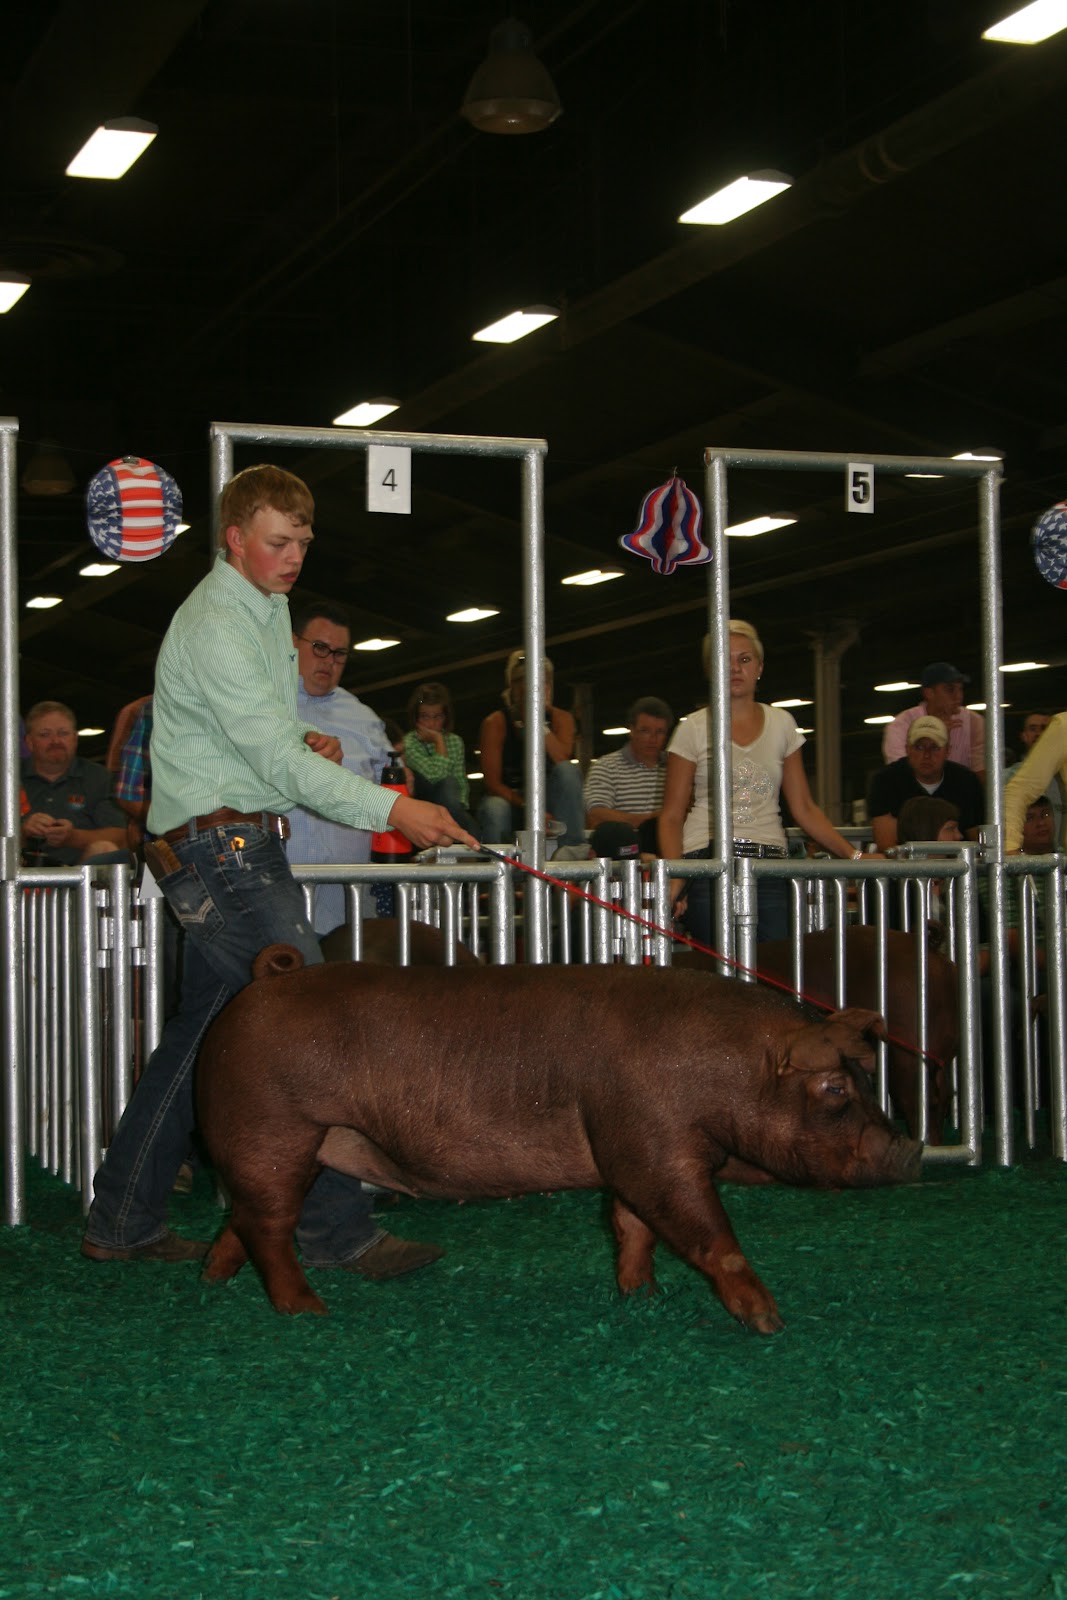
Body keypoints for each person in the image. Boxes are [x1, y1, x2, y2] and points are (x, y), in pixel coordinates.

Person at [81, 463, 475, 1271]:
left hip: (225, 846)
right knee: (307, 1028)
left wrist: (302, 748)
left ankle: (121, 1221)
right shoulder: (221, 624)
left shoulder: (265, 608)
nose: (293, 555)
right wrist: (393, 807)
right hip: (222, 852)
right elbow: (265, 753)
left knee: (196, 1047)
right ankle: (333, 1234)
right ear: (235, 539)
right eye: (277, 542)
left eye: (301, 541)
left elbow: (260, 746)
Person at [658, 621, 866, 944]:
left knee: (774, 971)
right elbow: (671, 815)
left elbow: (805, 808)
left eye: (744, 659)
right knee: (723, 977)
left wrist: (855, 857)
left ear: (760, 667)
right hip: (707, 862)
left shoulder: (783, 724)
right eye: (724, 659)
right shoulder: (692, 729)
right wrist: (675, 877)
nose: (735, 668)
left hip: (769, 865)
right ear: (709, 669)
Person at [287, 600, 394, 936]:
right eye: (320, 648)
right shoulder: (262, 706)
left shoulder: (364, 719)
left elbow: (390, 798)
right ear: (291, 642)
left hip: (348, 911)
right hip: (280, 903)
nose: (329, 662)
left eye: (340, 654)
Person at [477, 650, 585, 846]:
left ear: (548, 686)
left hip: (550, 800)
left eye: (537, 680)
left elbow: (562, 760)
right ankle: (500, 868)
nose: (528, 687)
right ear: (512, 686)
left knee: (568, 770)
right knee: (494, 807)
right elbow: (492, 782)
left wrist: (538, 723)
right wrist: (529, 807)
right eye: (521, 681)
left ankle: (572, 849)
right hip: (512, 800)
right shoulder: (496, 722)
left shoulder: (562, 719)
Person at [21, 701, 130, 866]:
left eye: (63, 733)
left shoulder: (99, 778)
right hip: (18, 872)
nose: (55, 741)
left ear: (75, 739)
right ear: (29, 742)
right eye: (45, 734)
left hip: (79, 876)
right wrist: (21, 831)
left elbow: (121, 837)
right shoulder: (8, 777)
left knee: (105, 848)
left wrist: (72, 837)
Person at [868, 715, 984, 850]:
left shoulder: (967, 781)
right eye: (919, 747)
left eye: (935, 748)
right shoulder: (886, 781)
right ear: (907, 750)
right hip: (905, 866)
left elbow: (977, 840)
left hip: (958, 863)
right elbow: (887, 847)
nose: (927, 755)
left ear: (948, 751)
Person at [583, 696, 672, 855]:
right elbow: (596, 815)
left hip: (668, 847)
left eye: (659, 732)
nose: (652, 739)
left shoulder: (676, 767)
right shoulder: (607, 766)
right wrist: (651, 820)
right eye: (645, 731)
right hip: (625, 851)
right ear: (631, 730)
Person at [882, 662, 985, 780]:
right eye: (950, 690)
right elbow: (899, 774)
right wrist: (935, 735)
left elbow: (983, 774)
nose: (958, 696)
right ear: (929, 693)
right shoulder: (902, 724)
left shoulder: (974, 722)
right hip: (915, 795)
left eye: (960, 689)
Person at [402, 682, 479, 837]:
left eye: (437, 717)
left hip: (452, 807)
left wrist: (461, 808)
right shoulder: (409, 742)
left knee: (474, 827)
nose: (431, 723)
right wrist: (439, 741)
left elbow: (461, 780)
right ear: (416, 718)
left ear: (445, 717)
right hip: (423, 804)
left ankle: (458, 829)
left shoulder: (455, 741)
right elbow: (435, 777)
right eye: (425, 717)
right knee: (447, 783)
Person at [1004, 711, 1063, 845]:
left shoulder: (1062, 777)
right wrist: (1011, 850)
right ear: (1023, 736)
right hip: (1024, 857)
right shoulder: (1006, 778)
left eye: (1045, 729)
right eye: (1032, 729)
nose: (1038, 734)